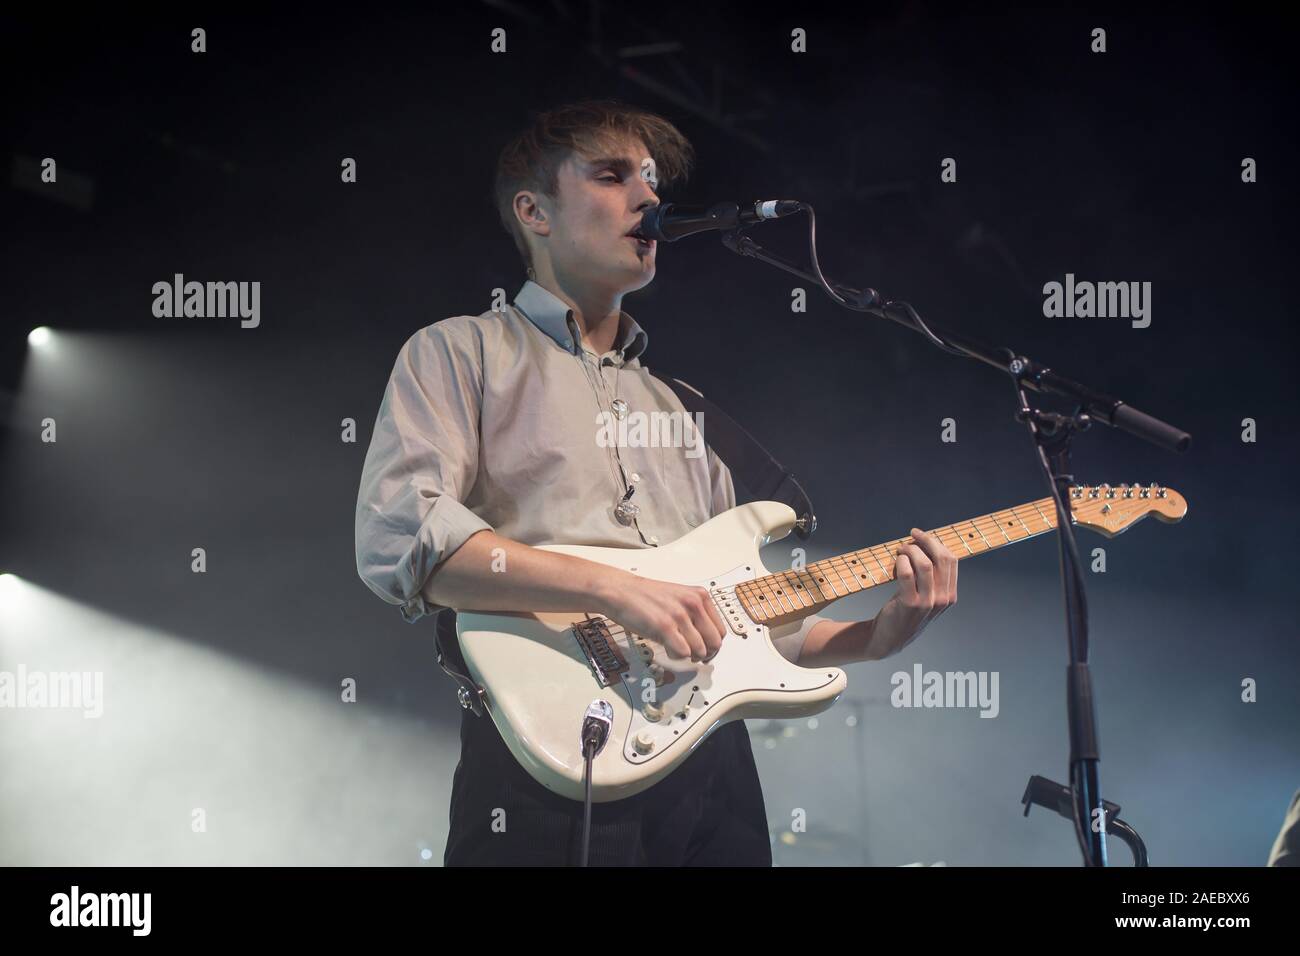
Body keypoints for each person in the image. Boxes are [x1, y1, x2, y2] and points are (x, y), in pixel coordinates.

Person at [354, 99, 959, 866]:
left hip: (712, 768)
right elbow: (402, 539)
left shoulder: (682, 408)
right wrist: (610, 588)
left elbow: (744, 621)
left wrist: (878, 635)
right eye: (613, 176)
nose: (648, 198)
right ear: (533, 212)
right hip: (550, 752)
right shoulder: (459, 353)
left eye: (650, 178)